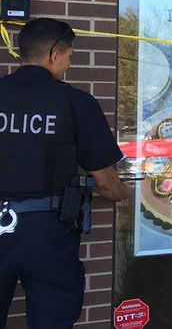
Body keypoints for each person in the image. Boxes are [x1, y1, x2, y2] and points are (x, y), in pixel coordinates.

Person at [0, 18, 133, 329]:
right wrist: (127, 193)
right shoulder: (76, 102)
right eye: (70, 56)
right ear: (53, 55)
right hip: (49, 235)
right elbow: (105, 181)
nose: (69, 65)